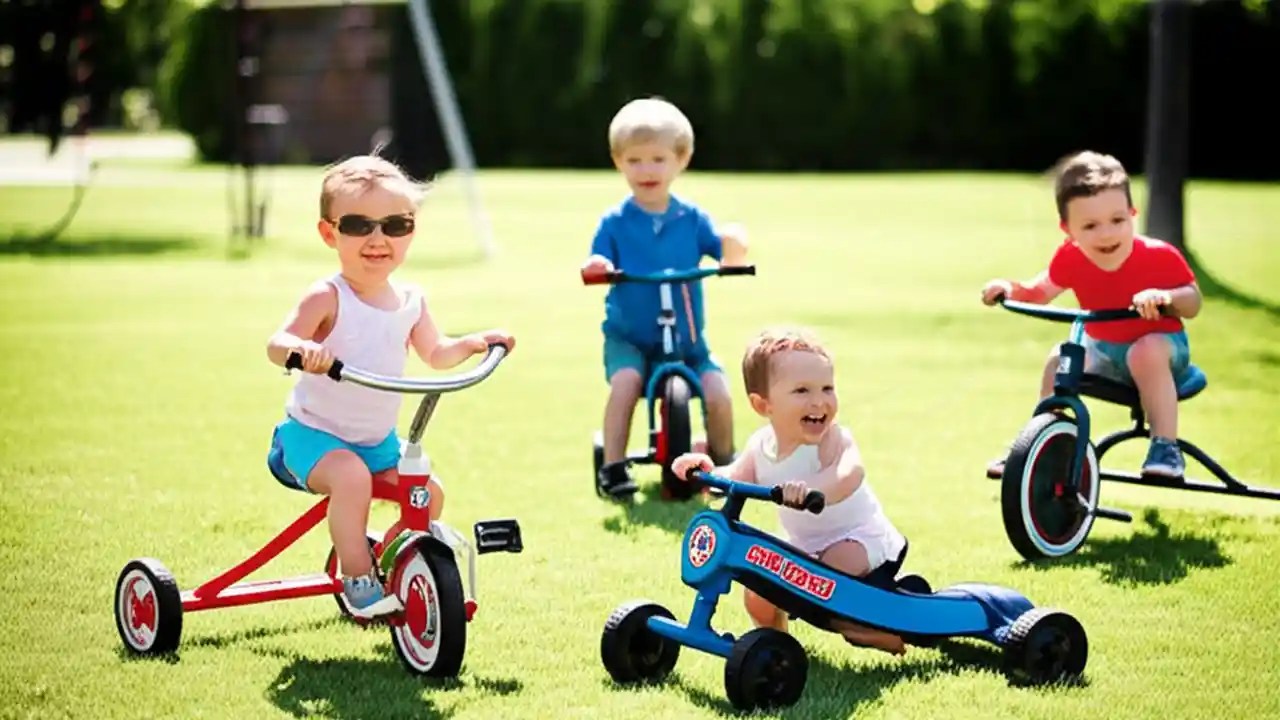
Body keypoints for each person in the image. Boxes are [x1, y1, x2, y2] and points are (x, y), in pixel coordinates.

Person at [264, 154, 515, 618]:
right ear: (329, 234)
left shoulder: (411, 301)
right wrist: (304, 352)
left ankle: (387, 561)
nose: (378, 240)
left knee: (428, 493)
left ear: (411, 231)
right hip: (310, 439)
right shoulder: (328, 296)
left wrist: (474, 343)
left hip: (375, 442)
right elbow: (277, 343)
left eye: (395, 225)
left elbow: (436, 352)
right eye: (359, 225)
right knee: (351, 478)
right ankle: (357, 579)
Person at [672, 327, 909, 655]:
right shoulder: (761, 446)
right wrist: (708, 473)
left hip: (861, 539)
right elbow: (734, 480)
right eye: (802, 390)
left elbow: (848, 474)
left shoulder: (833, 440)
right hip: (804, 547)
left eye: (828, 388)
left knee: (835, 568)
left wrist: (812, 489)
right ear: (763, 405)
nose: (819, 401)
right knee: (757, 590)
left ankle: (868, 627)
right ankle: (776, 647)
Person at [981, 150, 1201, 478]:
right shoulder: (1071, 258)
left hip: (1162, 349)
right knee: (1059, 358)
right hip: (1101, 348)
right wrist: (1008, 289)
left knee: (1145, 351)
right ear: (1067, 229)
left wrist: (1165, 296)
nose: (1107, 234)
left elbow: (1193, 302)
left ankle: (1165, 447)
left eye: (1117, 220)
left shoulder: (1158, 257)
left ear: (1132, 213)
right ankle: (1042, 442)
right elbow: (1039, 291)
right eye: (1090, 225)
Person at [580, 96, 748, 498]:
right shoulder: (616, 221)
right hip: (630, 338)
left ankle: (725, 466)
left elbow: (723, 249)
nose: (646, 170)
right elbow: (599, 254)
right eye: (634, 160)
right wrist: (599, 265)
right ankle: (614, 466)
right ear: (618, 162)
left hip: (689, 342)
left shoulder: (691, 219)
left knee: (719, 393)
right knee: (625, 384)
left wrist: (733, 248)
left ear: (681, 159)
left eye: (657, 159)